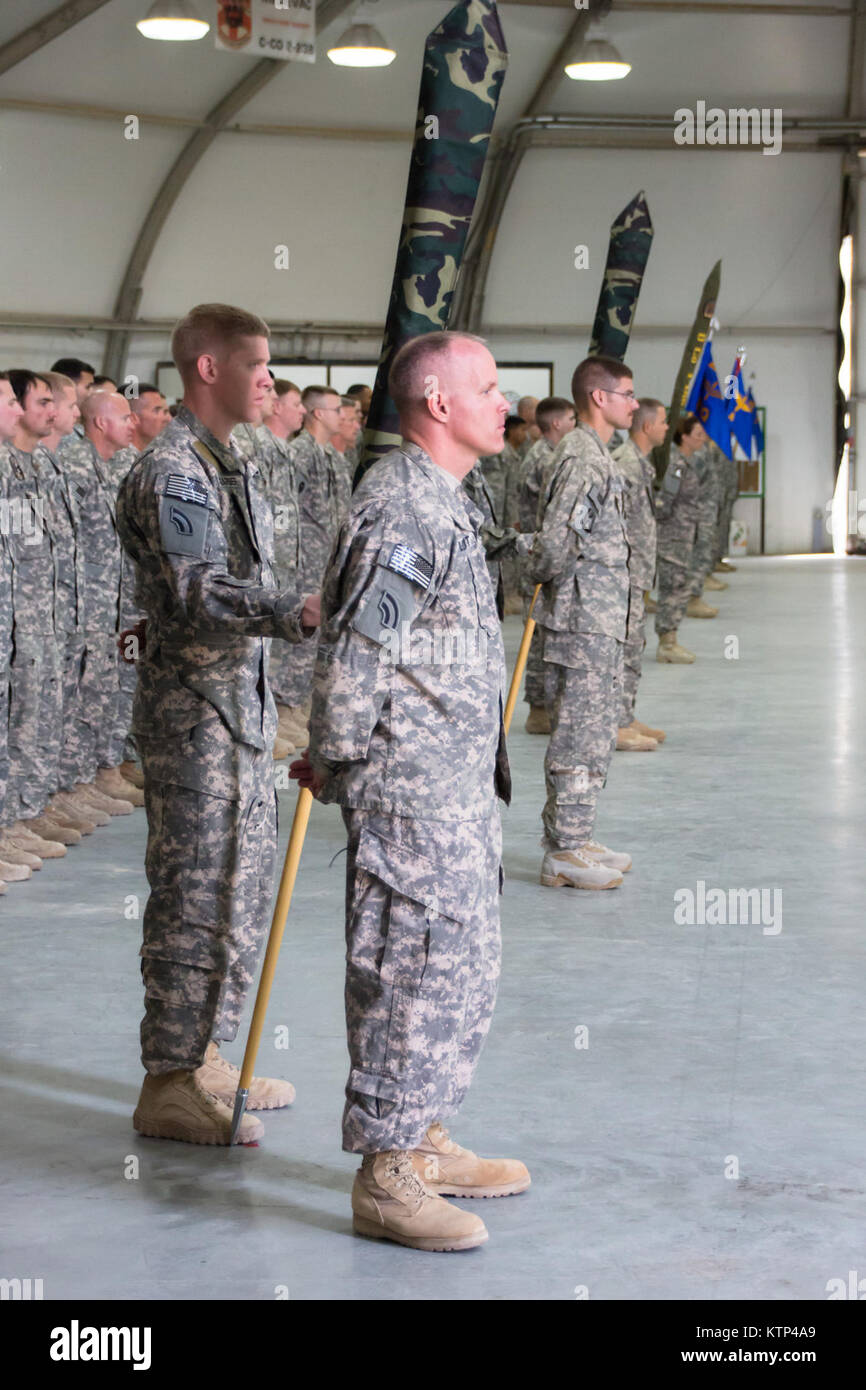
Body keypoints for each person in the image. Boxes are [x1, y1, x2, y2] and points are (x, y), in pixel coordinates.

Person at [293, 329, 529, 1252]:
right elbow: (357, 652)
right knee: (412, 972)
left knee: (458, 972)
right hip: (411, 794)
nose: (503, 402)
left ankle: (422, 1133)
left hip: (454, 785)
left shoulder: (443, 501)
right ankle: (386, 1175)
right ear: (438, 403)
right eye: (489, 387)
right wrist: (344, 761)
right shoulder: (401, 510)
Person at [116, 303, 320, 1146]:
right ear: (209, 368)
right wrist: (296, 610)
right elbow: (198, 590)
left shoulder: (223, 462)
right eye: (257, 365)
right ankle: (168, 1079)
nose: (269, 381)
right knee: (195, 895)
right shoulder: (174, 474)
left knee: (236, 887)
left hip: (238, 713)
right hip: (194, 717)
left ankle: (206, 1055)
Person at [528, 356, 635, 891]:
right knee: (577, 731)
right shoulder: (582, 458)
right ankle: (564, 850)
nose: (634, 404)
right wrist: (541, 579)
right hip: (580, 618)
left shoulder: (598, 454)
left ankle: (577, 834)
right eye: (627, 394)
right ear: (599, 397)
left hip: (599, 616)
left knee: (594, 730)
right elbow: (553, 544)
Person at [58, 390, 143, 810]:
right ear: (100, 423)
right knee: (81, 690)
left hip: (124, 604)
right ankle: (76, 779)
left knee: (119, 681)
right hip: (83, 606)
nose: (135, 424)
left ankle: (108, 766)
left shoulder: (128, 465)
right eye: (126, 417)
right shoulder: (71, 468)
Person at [611, 399, 668, 750]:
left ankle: (626, 715)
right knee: (621, 652)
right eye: (663, 421)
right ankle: (615, 724)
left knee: (633, 649)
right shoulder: (624, 466)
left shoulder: (640, 464)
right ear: (647, 427)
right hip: (623, 578)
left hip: (638, 575)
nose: (667, 427)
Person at [517, 396, 575, 735]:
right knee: (539, 636)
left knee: (545, 634)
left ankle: (544, 706)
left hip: (546, 557)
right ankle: (537, 709)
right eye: (570, 418)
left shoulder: (551, 455)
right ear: (556, 424)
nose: (574, 423)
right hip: (539, 559)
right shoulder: (544, 459)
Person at [655, 415, 705, 663]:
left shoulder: (690, 462)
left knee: (678, 587)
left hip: (684, 535)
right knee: (671, 589)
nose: (702, 438)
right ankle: (666, 643)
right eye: (697, 434)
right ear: (683, 437)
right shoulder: (676, 464)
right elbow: (664, 502)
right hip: (672, 537)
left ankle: (671, 638)